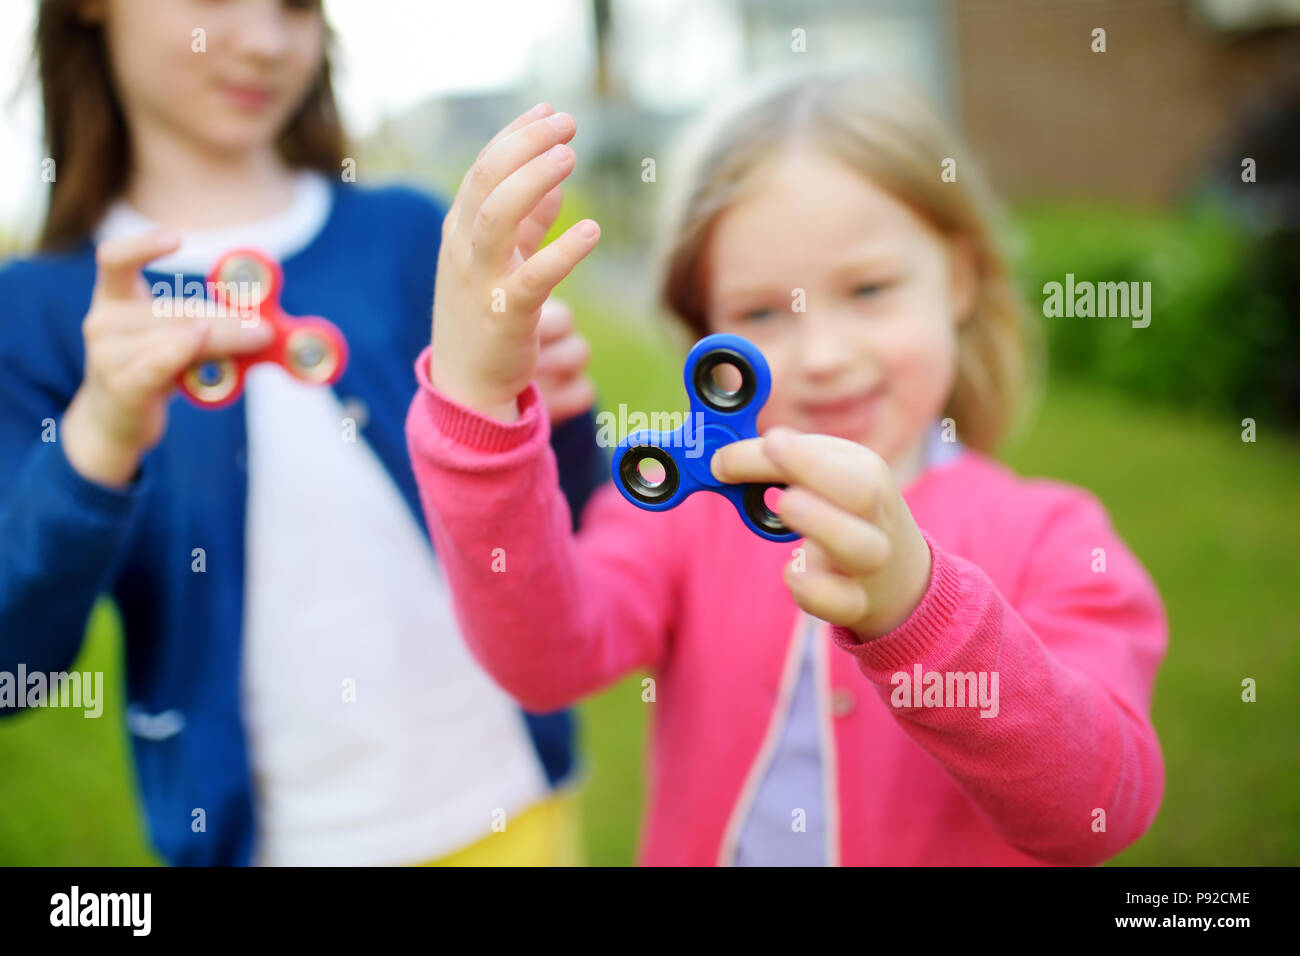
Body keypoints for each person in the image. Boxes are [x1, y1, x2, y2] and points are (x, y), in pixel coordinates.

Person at [404, 71, 1169, 865]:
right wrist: (480, 408)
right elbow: (543, 659)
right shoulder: (681, 515)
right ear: (707, 332)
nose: (824, 358)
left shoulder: (1053, 534)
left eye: (869, 289)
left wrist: (919, 609)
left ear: (960, 279)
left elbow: (1097, 810)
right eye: (763, 314)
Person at [0, 0, 605, 866]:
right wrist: (98, 435)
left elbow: (568, 536)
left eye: (293, 6)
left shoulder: (406, 237)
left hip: (511, 805)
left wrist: (555, 422)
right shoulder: (40, 313)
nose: (260, 40)